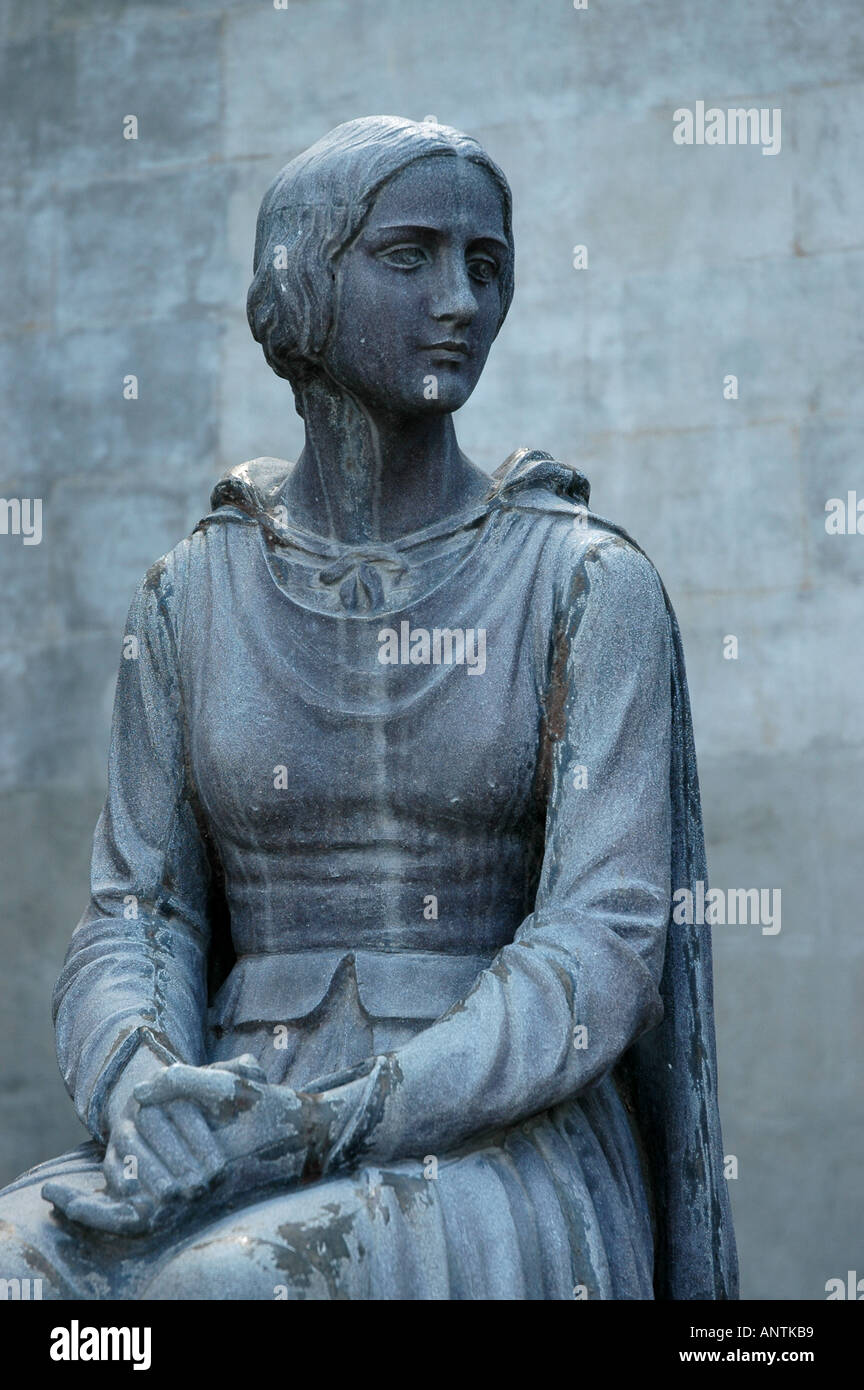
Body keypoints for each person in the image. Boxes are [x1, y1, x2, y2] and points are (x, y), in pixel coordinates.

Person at [0, 116, 737, 1300]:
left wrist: (327, 1124)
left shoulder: (586, 583)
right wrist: (141, 1087)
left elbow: (597, 955)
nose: (461, 299)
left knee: (223, 1292)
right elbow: (138, 914)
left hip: (496, 1140)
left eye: (485, 265)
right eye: (411, 256)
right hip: (231, 1110)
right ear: (300, 282)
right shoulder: (192, 593)